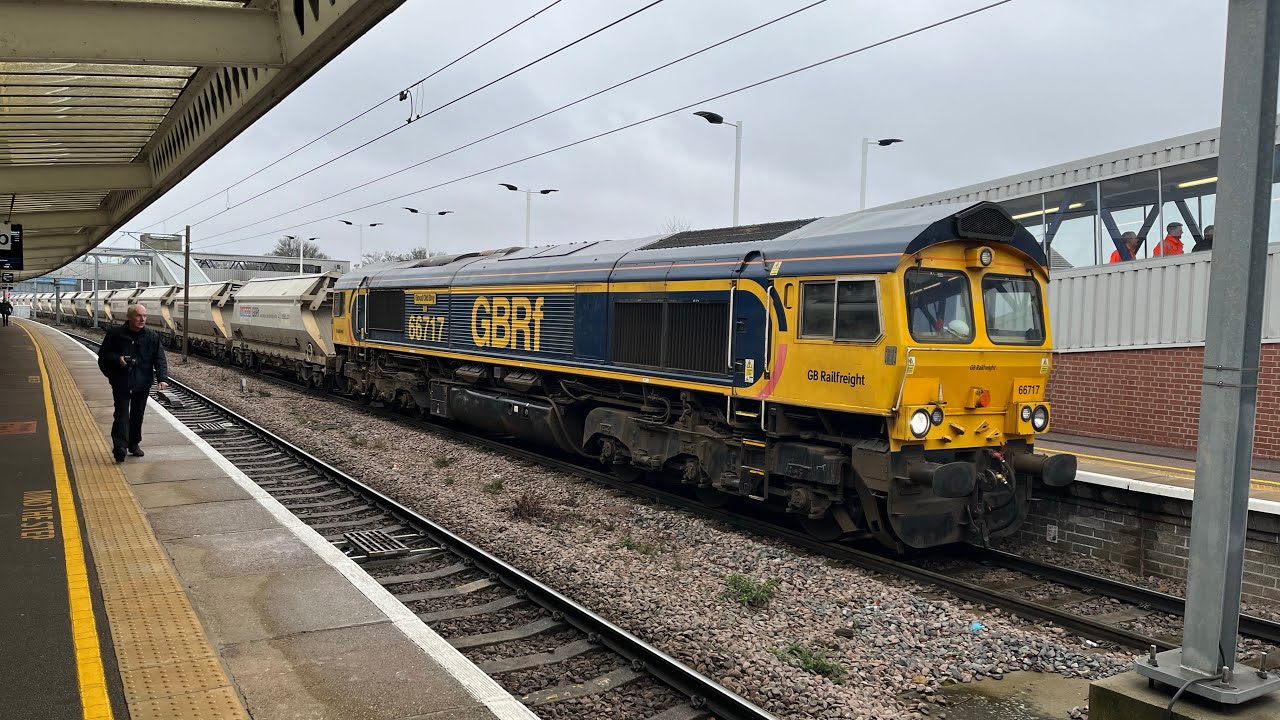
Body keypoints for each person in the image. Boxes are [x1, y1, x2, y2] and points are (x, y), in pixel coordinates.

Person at [98, 303, 169, 463]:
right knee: (121, 414)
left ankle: (134, 444)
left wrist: (162, 378)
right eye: (138, 316)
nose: (142, 319)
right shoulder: (115, 334)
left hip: (142, 383)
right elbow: (103, 356)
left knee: (138, 415)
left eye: (144, 316)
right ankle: (120, 447)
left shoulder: (151, 336)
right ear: (129, 317)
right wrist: (118, 362)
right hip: (122, 382)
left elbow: (159, 358)